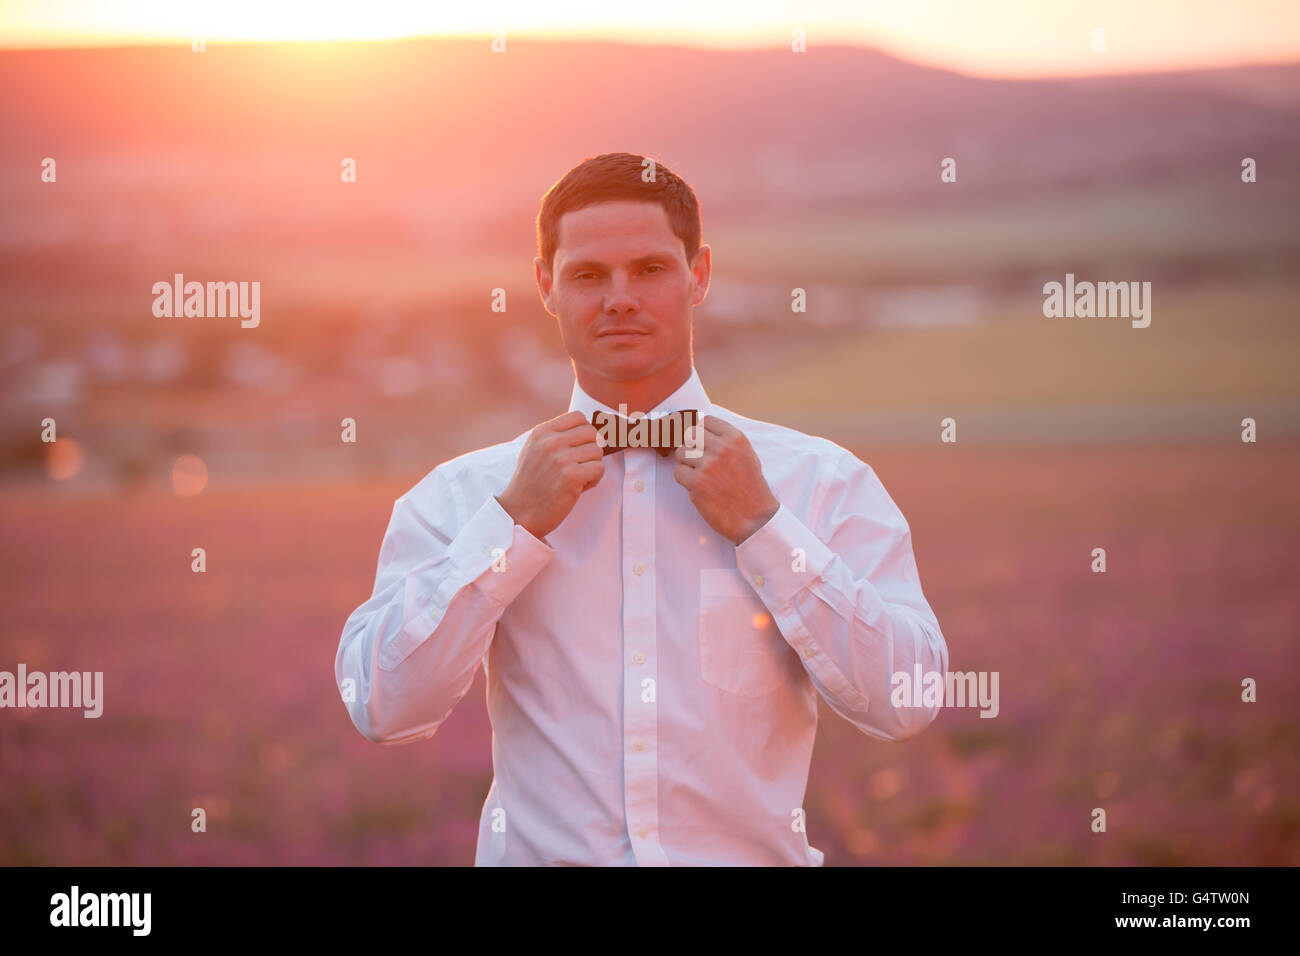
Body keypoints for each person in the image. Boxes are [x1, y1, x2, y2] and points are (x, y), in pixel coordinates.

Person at [335, 152, 948, 865]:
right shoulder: (464, 496)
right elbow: (382, 706)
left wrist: (768, 530)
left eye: (650, 269)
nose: (619, 298)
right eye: (589, 275)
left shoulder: (821, 482)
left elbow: (908, 700)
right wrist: (509, 530)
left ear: (700, 275)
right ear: (545, 286)